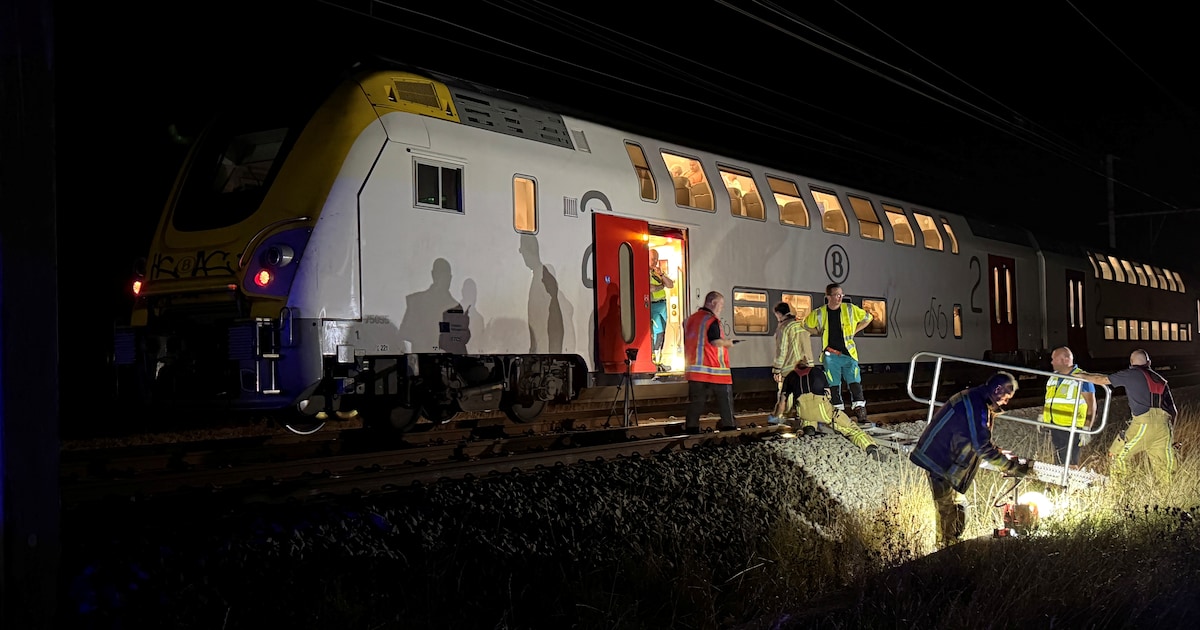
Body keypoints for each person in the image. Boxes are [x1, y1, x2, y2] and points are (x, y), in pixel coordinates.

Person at [909, 371, 1034, 550]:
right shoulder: (976, 406)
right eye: (1006, 397)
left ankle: (950, 544)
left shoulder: (974, 399)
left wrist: (998, 452)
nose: (1006, 402)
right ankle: (946, 549)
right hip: (939, 460)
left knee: (957, 505)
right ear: (997, 389)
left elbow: (977, 438)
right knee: (947, 507)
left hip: (944, 458)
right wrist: (1012, 467)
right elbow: (982, 447)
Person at [1077, 349, 1177, 483]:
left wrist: (1082, 376)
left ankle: (1122, 489)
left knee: (1117, 455)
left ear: (1131, 363)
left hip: (1143, 424)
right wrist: (1170, 433)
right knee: (1165, 468)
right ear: (1149, 363)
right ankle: (1169, 495)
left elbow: (1102, 379)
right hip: (1164, 427)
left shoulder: (1130, 374)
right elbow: (1174, 411)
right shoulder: (1161, 380)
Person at [782, 358, 887, 461]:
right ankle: (871, 448)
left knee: (808, 417)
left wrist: (776, 415)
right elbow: (828, 393)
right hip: (822, 409)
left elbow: (782, 402)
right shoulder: (817, 372)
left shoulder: (790, 376)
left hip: (804, 412)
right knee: (850, 428)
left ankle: (809, 430)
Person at [803, 283, 873, 423]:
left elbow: (868, 318)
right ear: (828, 297)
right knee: (833, 383)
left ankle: (860, 411)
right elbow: (805, 324)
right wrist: (817, 332)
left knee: (855, 381)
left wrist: (855, 331)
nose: (840, 297)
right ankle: (838, 413)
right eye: (836, 295)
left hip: (849, 353)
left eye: (841, 294)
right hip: (830, 354)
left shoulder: (849, 309)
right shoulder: (819, 313)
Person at [683, 291, 737, 434]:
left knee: (696, 402)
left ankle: (692, 428)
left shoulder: (689, 320)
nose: (722, 308)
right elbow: (714, 341)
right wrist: (728, 343)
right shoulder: (711, 320)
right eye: (721, 304)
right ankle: (729, 426)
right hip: (714, 369)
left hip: (694, 369)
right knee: (724, 400)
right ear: (713, 303)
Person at [1042, 346, 1096, 467]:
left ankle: (1070, 484)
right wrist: (1043, 416)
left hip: (1072, 427)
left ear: (1066, 360)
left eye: (1054, 359)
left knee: (1070, 463)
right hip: (1055, 425)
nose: (1051, 362)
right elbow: (1049, 399)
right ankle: (1061, 484)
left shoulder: (1082, 378)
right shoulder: (1053, 377)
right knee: (1060, 460)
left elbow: (1091, 405)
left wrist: (1087, 428)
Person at [768, 302, 812, 425]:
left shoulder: (784, 328)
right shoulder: (801, 325)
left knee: (785, 393)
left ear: (778, 314)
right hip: (807, 365)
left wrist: (777, 369)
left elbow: (781, 350)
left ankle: (779, 416)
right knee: (803, 392)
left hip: (790, 367)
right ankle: (804, 417)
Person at [649, 248, 675, 371]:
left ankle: (660, 361)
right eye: (653, 258)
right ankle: (654, 362)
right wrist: (661, 286)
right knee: (657, 335)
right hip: (653, 306)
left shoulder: (657, 273)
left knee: (662, 334)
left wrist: (662, 275)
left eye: (656, 259)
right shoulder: (644, 271)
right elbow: (651, 288)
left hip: (662, 306)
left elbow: (670, 284)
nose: (655, 261)